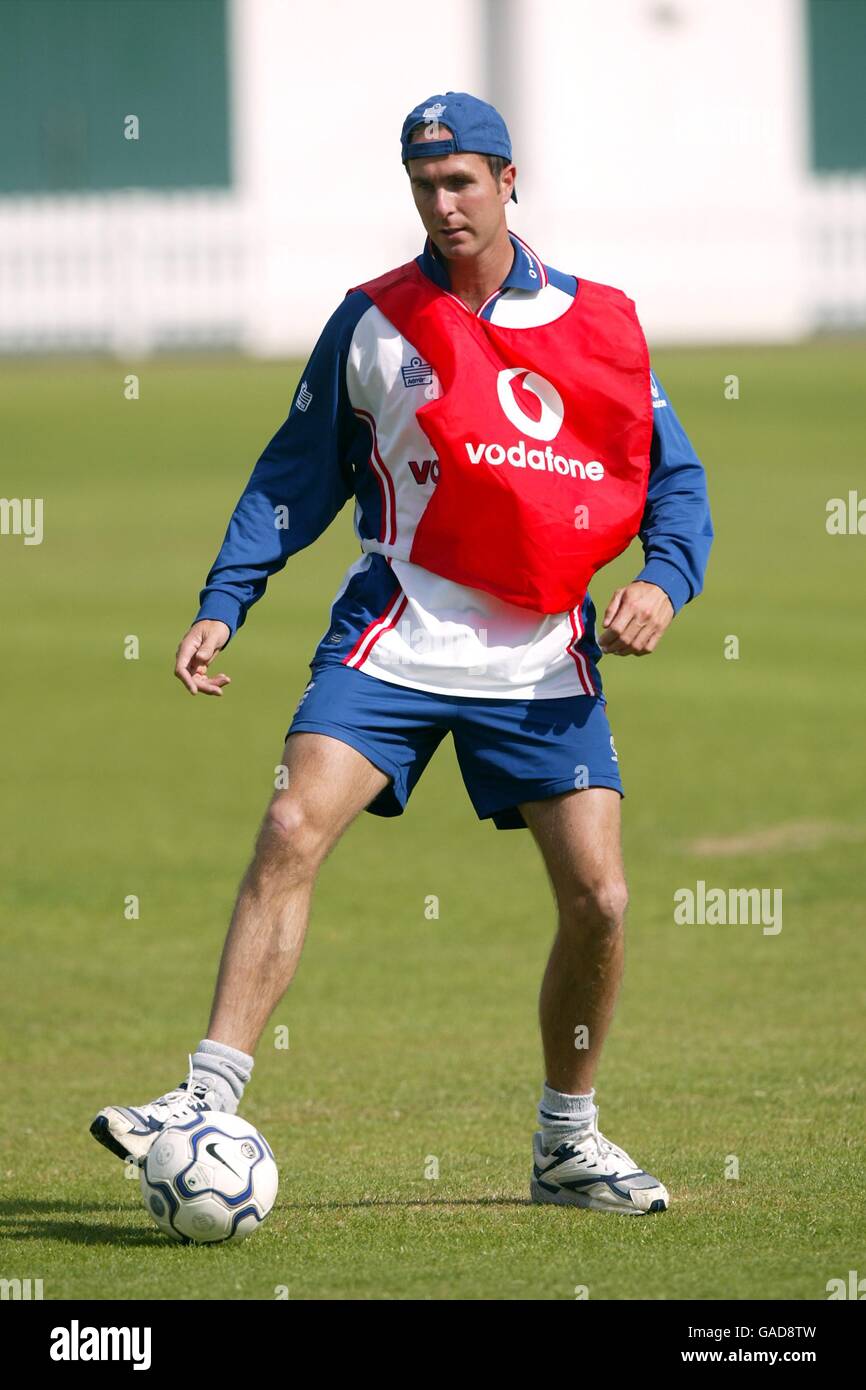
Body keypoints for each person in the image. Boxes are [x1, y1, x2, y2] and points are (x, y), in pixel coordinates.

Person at [91, 92, 712, 1215]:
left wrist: (662, 582)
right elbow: (294, 475)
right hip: (394, 635)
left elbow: (674, 480)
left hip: (541, 655)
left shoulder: (601, 325)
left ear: (509, 180)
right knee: (291, 824)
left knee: (601, 900)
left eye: (462, 180)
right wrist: (225, 600)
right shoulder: (372, 320)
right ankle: (203, 1099)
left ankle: (565, 1144)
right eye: (425, 185)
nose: (443, 203)